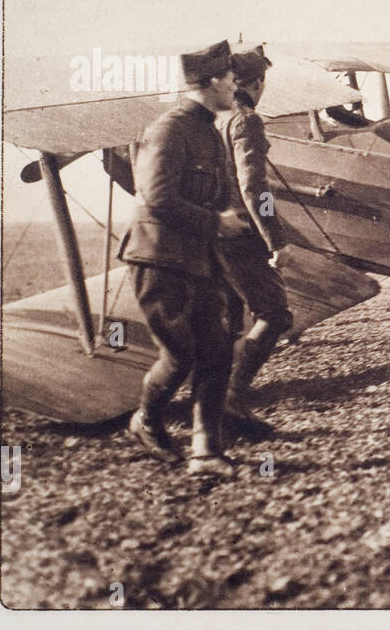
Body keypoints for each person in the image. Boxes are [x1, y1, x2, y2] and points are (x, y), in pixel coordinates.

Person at [118, 39, 251, 475]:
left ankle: (206, 453)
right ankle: (146, 420)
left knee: (216, 351)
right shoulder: (170, 128)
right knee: (181, 355)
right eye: (231, 79)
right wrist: (217, 224)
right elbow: (157, 198)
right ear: (212, 81)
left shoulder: (208, 129)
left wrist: (228, 218)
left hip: (197, 260)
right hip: (159, 261)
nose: (236, 86)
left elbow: (221, 190)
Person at [215, 46, 294, 430]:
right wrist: (276, 239)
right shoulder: (246, 120)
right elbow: (254, 189)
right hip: (241, 235)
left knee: (230, 321)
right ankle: (230, 399)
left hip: (210, 231)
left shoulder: (212, 118)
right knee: (274, 315)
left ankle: (210, 408)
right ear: (257, 83)